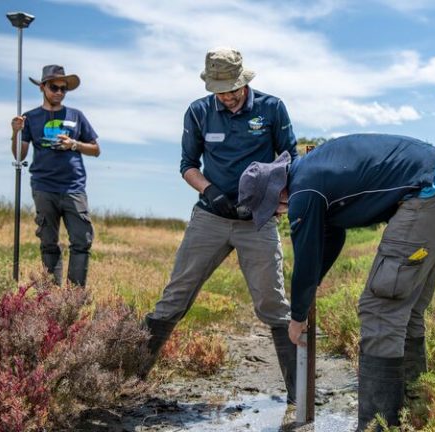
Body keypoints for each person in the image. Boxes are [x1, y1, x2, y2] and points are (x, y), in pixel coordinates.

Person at [237, 134, 435, 431]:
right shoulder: (311, 171)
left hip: (430, 193)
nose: (278, 215)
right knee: (405, 308)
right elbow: (333, 235)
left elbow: (306, 258)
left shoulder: (303, 191)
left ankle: (377, 425)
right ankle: (415, 411)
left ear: (276, 195)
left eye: (272, 211)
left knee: (380, 307)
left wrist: (296, 317)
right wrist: (314, 286)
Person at [141, 48, 299, 404]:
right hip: (210, 219)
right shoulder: (198, 112)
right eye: (220, 90)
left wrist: (277, 199)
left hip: (256, 222)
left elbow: (291, 158)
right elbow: (187, 164)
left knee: (274, 304)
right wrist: (209, 191)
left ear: (244, 81)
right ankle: (129, 380)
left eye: (232, 88)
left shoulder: (272, 109)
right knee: (174, 298)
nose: (227, 96)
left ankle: (298, 394)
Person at [10, 65, 101, 287]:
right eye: (54, 87)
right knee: (48, 242)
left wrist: (74, 144)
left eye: (63, 89)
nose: (59, 92)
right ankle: (50, 299)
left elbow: (95, 149)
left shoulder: (76, 116)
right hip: (43, 187)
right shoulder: (30, 118)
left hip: (74, 187)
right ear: (43, 87)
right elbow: (20, 154)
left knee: (81, 241)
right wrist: (15, 132)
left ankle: (73, 298)